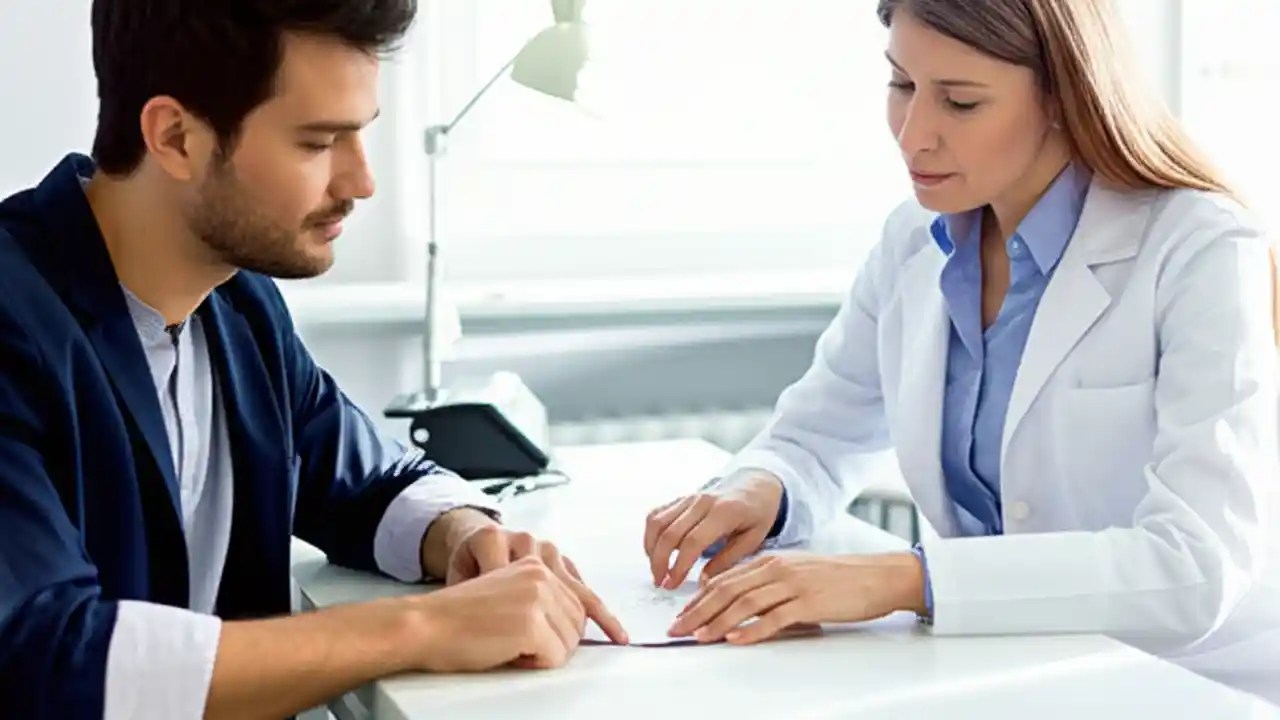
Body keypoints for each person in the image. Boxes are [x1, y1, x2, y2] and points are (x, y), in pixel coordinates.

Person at [0, 2, 628, 718]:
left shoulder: (239, 304)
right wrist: (423, 628)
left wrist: (468, 535)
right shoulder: (15, 318)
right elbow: (46, 656)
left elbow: (366, 480)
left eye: (361, 134)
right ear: (175, 137)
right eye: (318, 142)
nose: (361, 182)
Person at [646, 0, 1280, 700]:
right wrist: (761, 487)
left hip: (1196, 686)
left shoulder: (1200, 248)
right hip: (1006, 675)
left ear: (1064, 97)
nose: (912, 134)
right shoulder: (914, 242)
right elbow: (818, 435)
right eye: (901, 84)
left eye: (961, 102)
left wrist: (904, 579)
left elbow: (1195, 567)